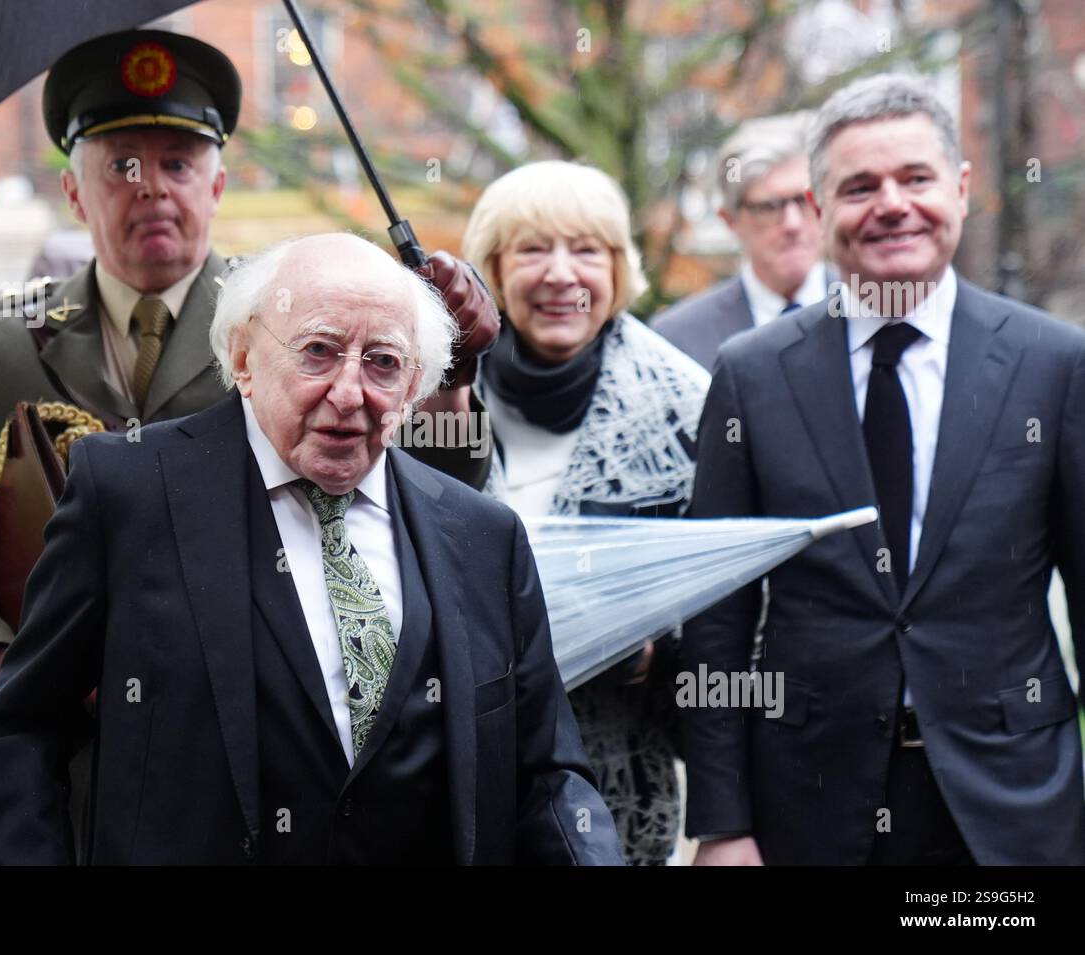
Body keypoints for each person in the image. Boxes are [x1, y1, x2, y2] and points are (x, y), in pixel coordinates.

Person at [0, 29, 499, 864]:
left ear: (217, 183)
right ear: (73, 189)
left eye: (178, 164)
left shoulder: (287, 326)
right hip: (54, 748)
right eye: (122, 165)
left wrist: (452, 374)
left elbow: (431, 500)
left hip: (239, 749)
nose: (154, 191)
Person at [0, 233, 623, 865]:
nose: (348, 392)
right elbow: (22, 726)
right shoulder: (129, 491)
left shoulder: (485, 538)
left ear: (415, 385)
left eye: (382, 363)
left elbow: (545, 774)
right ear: (245, 356)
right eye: (318, 351)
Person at [684, 73, 1085, 865]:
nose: (891, 204)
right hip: (811, 804)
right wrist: (722, 822)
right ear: (820, 205)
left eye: (915, 178)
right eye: (860, 186)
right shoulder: (753, 374)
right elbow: (718, 617)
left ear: (961, 189)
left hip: (1011, 807)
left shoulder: (1054, 362)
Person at [461, 160, 710, 864]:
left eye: (588, 249)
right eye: (533, 249)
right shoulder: (436, 394)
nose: (562, 274)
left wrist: (650, 653)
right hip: (455, 778)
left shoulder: (688, 406)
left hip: (619, 791)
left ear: (620, 267)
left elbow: (737, 609)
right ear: (494, 268)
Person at [653, 112, 830, 372]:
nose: (792, 223)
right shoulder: (677, 340)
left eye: (805, 200)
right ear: (730, 220)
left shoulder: (874, 312)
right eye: (769, 207)